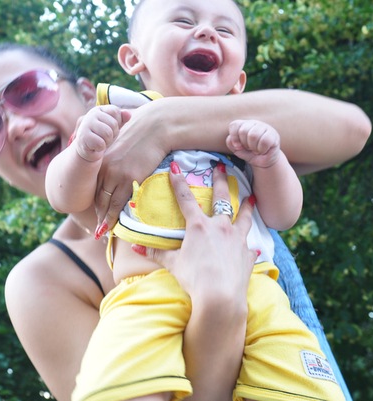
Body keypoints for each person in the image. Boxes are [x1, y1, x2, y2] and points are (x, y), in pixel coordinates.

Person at [0, 35, 370, 401]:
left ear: (87, 93)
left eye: (28, 91)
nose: (18, 125)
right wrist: (218, 308)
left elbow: (350, 129)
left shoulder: (208, 158)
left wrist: (166, 122)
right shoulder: (42, 281)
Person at [45, 1, 344, 400]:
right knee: (120, 380)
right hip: (147, 290)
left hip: (256, 288)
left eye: (225, 30)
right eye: (183, 20)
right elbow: (64, 196)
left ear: (238, 81)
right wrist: (84, 152)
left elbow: (283, 215)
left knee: (304, 384)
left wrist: (271, 160)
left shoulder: (240, 132)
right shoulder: (116, 118)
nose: (206, 32)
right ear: (133, 58)